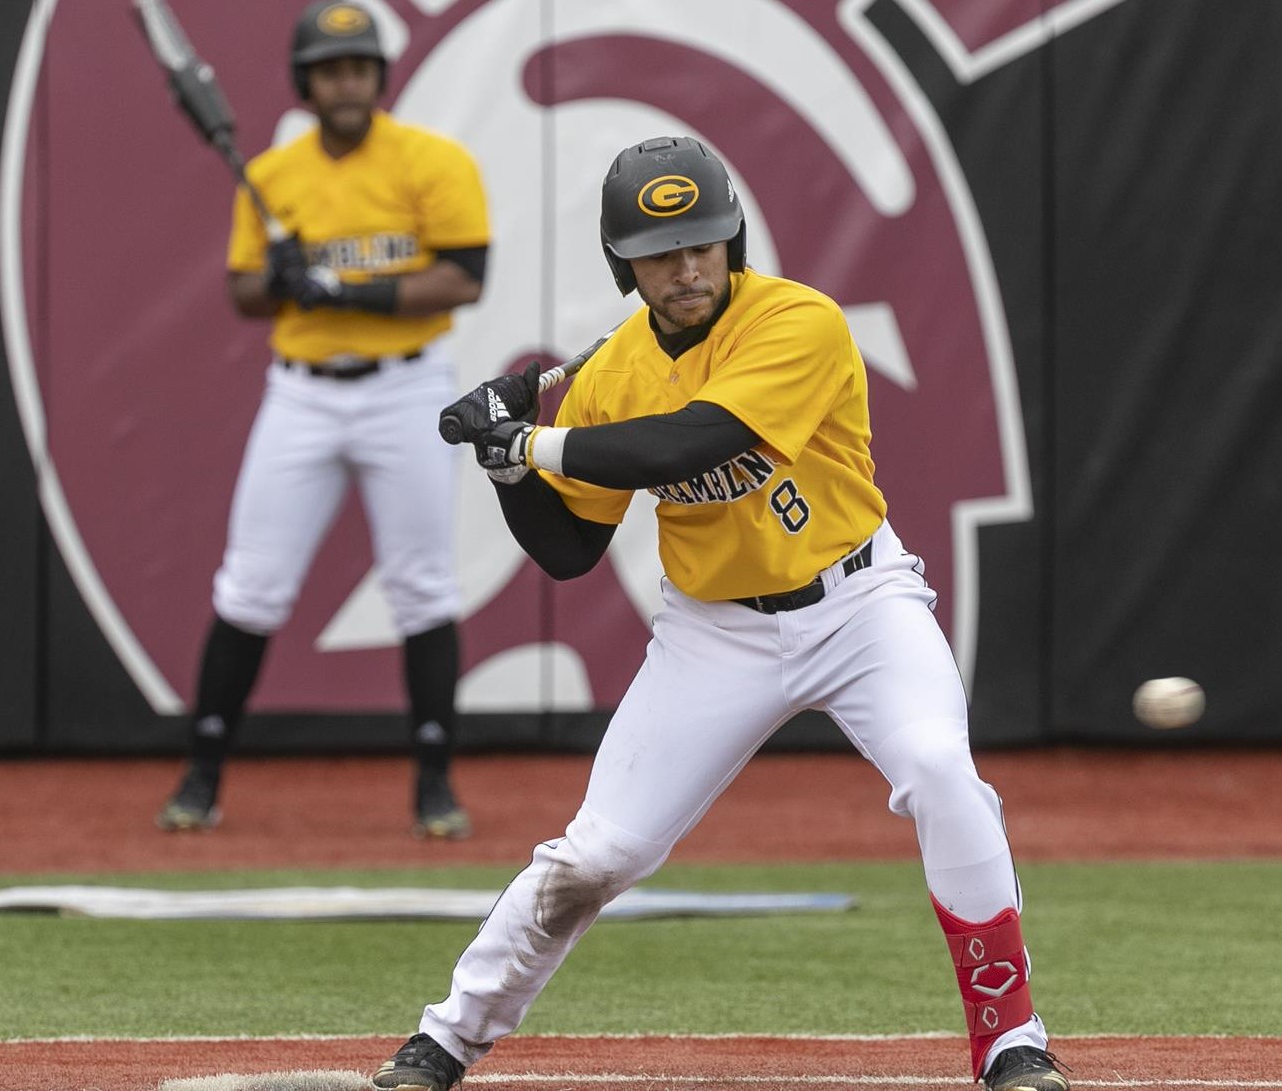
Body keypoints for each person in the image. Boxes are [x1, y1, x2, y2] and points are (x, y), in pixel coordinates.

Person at [371, 137, 1069, 1091]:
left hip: (860, 601)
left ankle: (1012, 1038)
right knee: (601, 852)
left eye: (703, 242)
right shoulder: (614, 371)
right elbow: (572, 552)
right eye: (660, 252)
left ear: (733, 240)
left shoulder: (799, 321)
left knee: (941, 769)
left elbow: (694, 440)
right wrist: (505, 470)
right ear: (626, 266)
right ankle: (446, 1037)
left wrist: (533, 438)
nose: (687, 266)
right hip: (715, 633)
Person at [156, 0, 491, 840]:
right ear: (306, 83)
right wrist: (280, 277)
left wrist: (343, 286)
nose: (347, 83)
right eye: (331, 70)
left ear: (380, 77)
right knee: (251, 583)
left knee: (422, 584)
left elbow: (463, 277)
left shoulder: (433, 160)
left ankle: (435, 782)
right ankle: (202, 774)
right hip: (303, 391)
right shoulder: (271, 175)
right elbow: (243, 294)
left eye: (359, 68)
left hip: (407, 387)